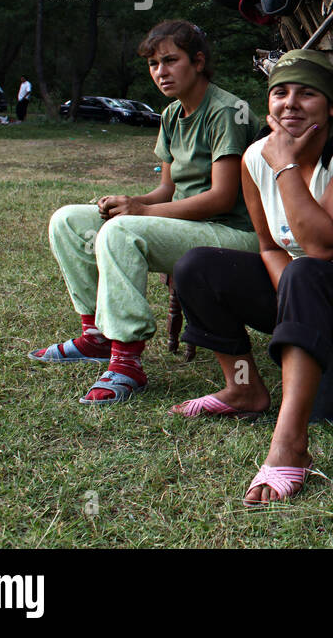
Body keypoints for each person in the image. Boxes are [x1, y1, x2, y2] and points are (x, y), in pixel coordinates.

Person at [170, 49, 333, 505]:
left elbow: (324, 244)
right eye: (280, 93)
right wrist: (292, 299)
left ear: (330, 106)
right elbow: (268, 245)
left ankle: (289, 447)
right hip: (308, 287)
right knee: (198, 267)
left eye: (307, 94)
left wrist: (285, 165)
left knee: (308, 269)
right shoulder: (252, 159)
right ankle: (243, 388)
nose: (290, 104)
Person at [29, 21, 261, 405]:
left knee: (121, 233)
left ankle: (127, 363)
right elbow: (166, 190)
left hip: (232, 233)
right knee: (69, 220)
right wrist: (128, 201)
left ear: (199, 62)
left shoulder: (228, 111)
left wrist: (137, 212)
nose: (160, 72)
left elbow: (222, 197)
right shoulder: (171, 115)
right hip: (187, 225)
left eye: (171, 61)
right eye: (153, 64)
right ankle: (97, 337)